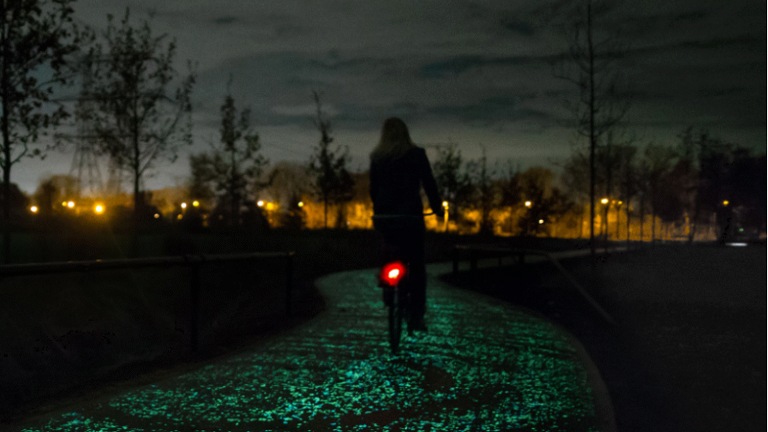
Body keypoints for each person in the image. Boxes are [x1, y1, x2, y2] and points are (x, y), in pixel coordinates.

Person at [369, 117, 443, 332]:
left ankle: (387, 283)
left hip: (385, 217)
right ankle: (416, 315)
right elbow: (429, 183)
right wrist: (437, 207)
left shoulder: (377, 157)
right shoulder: (417, 154)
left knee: (388, 245)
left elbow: (373, 189)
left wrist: (380, 208)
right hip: (410, 216)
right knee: (416, 264)